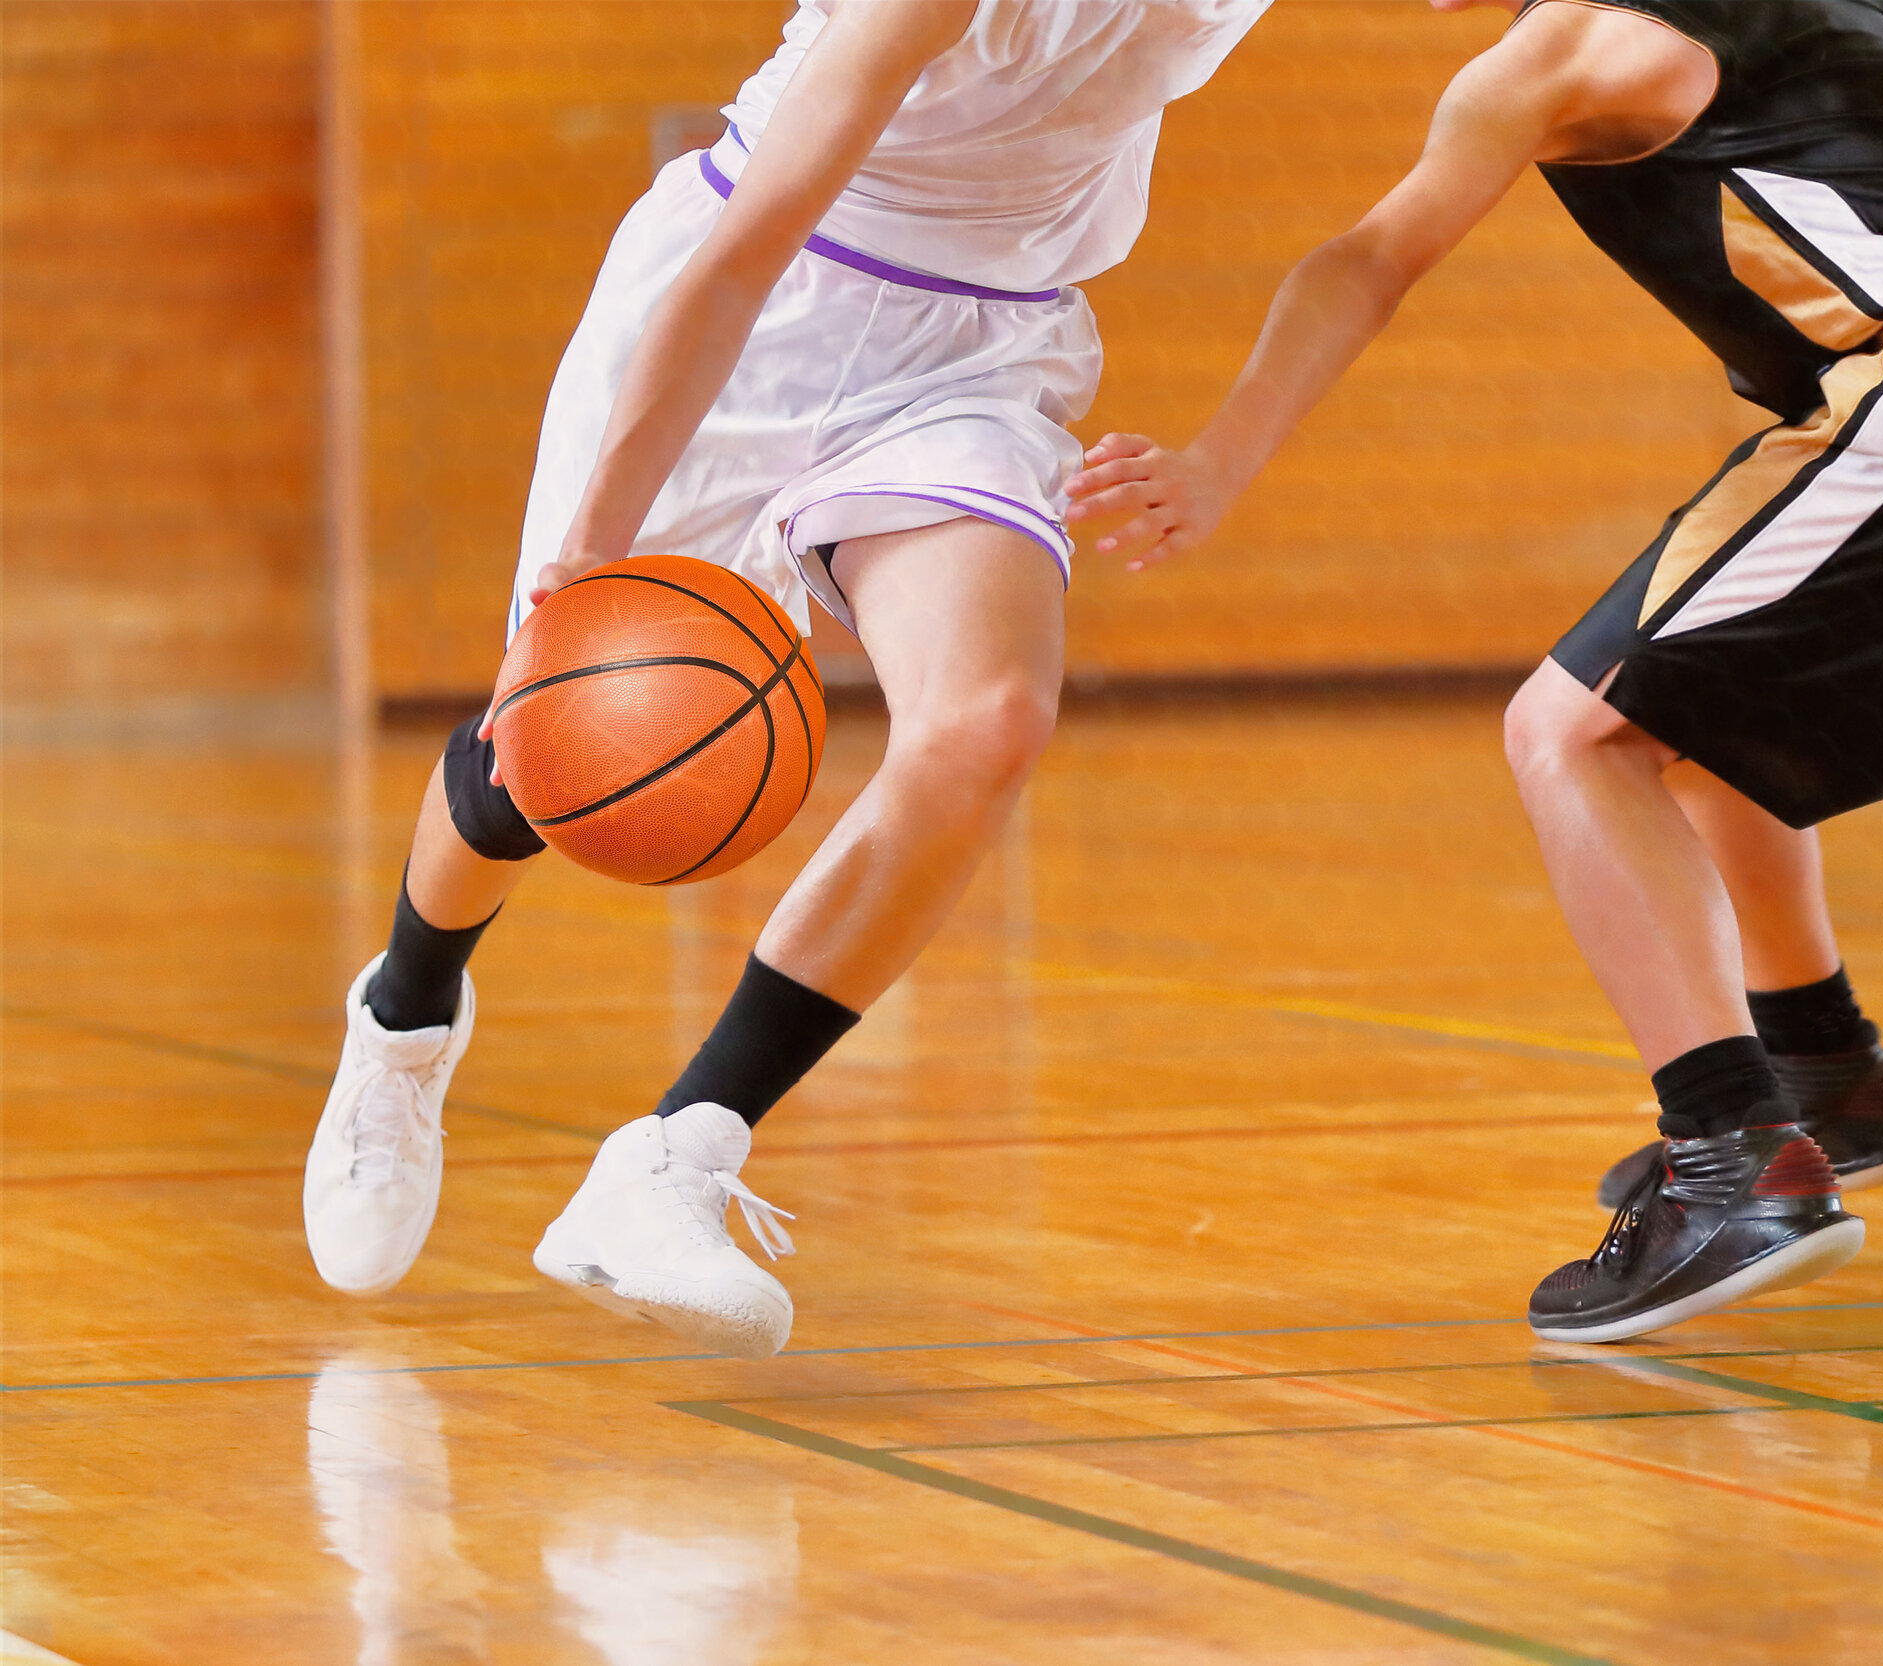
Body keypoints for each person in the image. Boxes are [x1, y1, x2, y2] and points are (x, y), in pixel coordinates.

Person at [1064, 0, 1883, 1342]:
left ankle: (1731, 1157)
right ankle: (1826, 1074)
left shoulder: (1558, 51)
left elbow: (1369, 257)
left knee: (1570, 736)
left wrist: (1218, 460)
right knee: (1694, 712)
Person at [303, 0, 1271, 1359]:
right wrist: (584, 559)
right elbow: (743, 256)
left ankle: (676, 1159)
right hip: (758, 294)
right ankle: (403, 1018)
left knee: (987, 719)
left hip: (978, 352)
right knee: (551, 761)